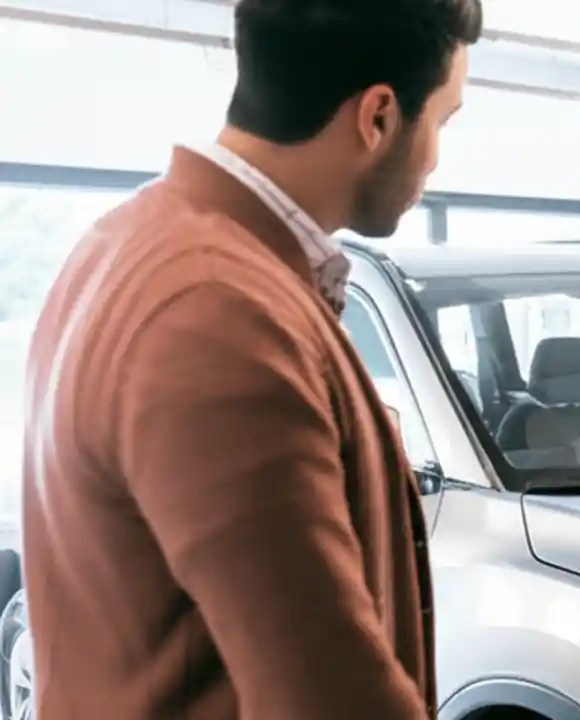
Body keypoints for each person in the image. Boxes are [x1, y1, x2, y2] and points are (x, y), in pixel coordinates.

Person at [20, 1, 481, 718]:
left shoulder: (130, 242)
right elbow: (329, 699)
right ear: (379, 117)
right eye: (442, 123)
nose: (435, 160)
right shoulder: (219, 312)